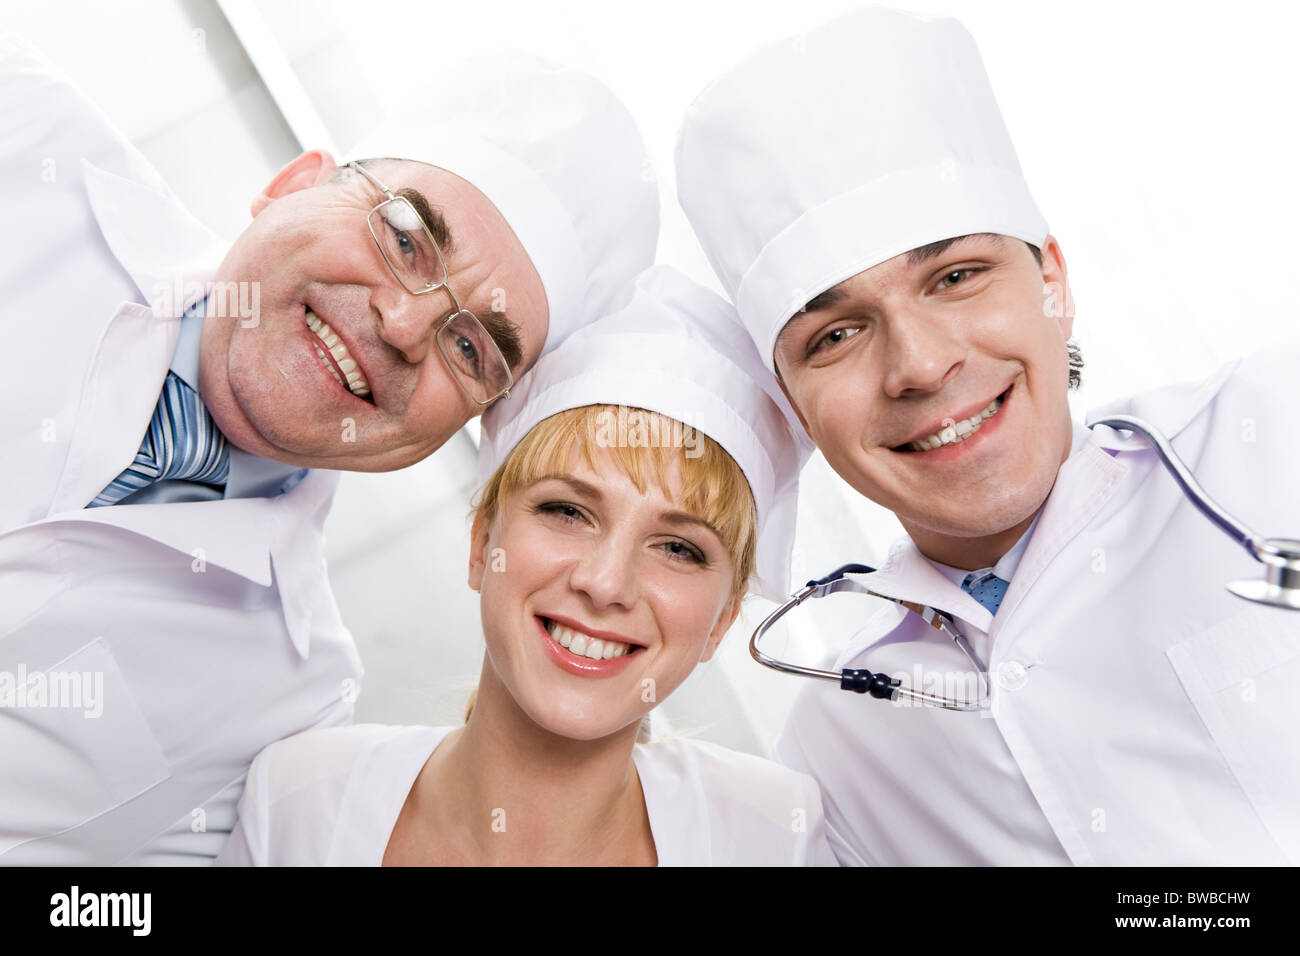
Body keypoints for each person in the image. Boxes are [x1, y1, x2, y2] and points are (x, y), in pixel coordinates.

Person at [0, 35, 657, 864]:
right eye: (406, 238)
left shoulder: (283, 710)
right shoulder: (20, 132)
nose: (404, 325)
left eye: (471, 350)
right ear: (293, 183)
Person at [674, 6, 1300, 865]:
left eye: (957, 276)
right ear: (793, 406)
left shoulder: (1276, 436)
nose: (921, 365)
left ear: (1053, 280)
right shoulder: (840, 753)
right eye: (835, 336)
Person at [214, 265, 835, 866]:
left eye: (679, 548)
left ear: (724, 618)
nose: (605, 583)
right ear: (483, 540)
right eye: (567, 511)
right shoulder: (296, 803)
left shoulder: (775, 838)